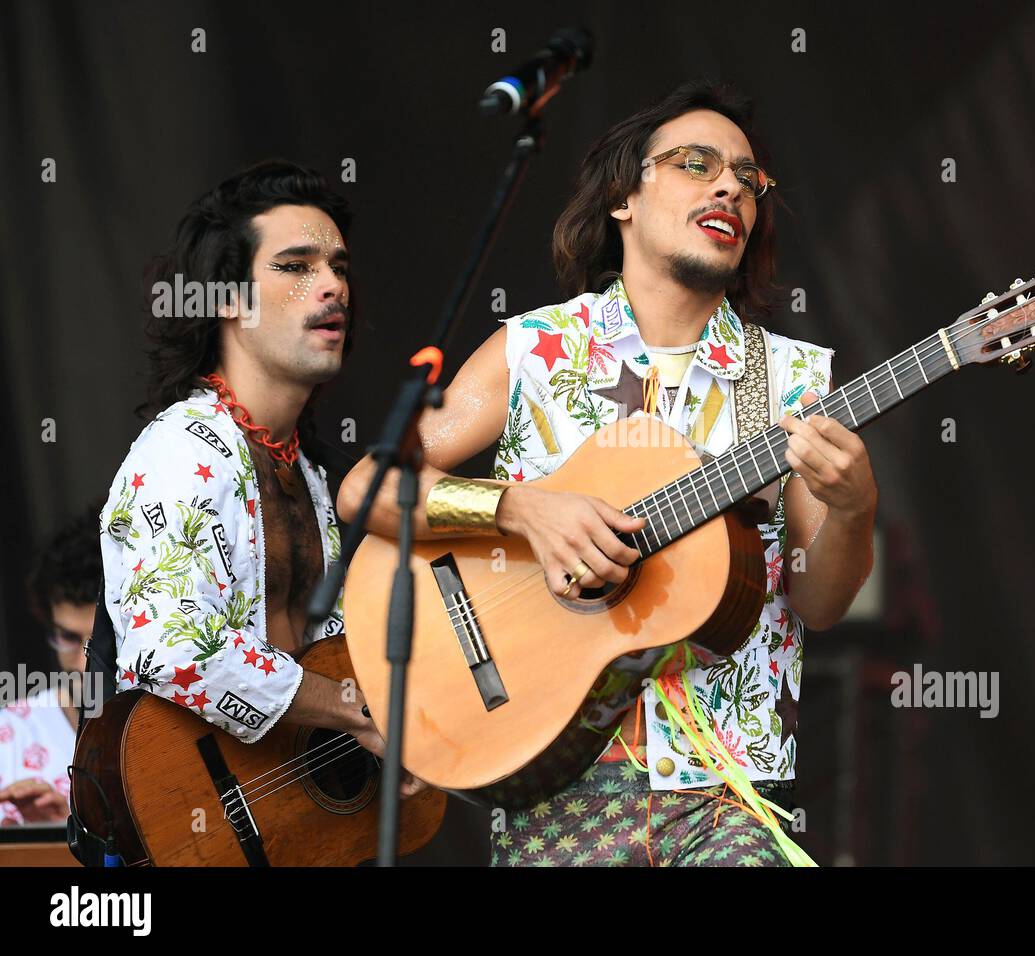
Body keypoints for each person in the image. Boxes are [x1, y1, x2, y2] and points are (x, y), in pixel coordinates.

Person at [341, 78, 878, 865]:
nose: (730, 184)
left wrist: (854, 511)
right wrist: (522, 512)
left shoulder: (793, 380)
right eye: (697, 163)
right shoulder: (534, 350)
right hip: (558, 776)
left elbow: (820, 605)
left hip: (731, 788)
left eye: (748, 179)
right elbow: (367, 489)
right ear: (624, 197)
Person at [100, 160, 420, 797]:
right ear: (225, 296)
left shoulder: (305, 467)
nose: (332, 286)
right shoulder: (179, 452)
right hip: (199, 820)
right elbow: (173, 650)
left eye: (338, 267)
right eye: (295, 266)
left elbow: (316, 644)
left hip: (293, 817)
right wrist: (358, 710)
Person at [0, 505, 101, 825]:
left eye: (103, 643)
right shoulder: (11, 735)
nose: (86, 664)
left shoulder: (174, 738)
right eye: (69, 638)